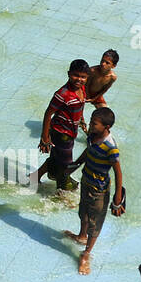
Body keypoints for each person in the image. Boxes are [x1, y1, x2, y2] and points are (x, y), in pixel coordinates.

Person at [62, 107, 124, 274]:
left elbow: (118, 173)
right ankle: (81, 236)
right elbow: (87, 151)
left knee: (95, 222)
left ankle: (86, 254)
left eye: (94, 123)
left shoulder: (111, 147)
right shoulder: (92, 136)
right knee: (83, 212)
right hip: (86, 182)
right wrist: (74, 165)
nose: (90, 125)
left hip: (99, 190)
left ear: (106, 127)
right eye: (91, 122)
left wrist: (117, 197)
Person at [35, 59, 91, 189]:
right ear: (69, 74)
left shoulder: (82, 89)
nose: (79, 79)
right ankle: (62, 192)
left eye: (83, 77)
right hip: (61, 134)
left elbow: (80, 105)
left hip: (71, 132)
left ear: (87, 77)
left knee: (56, 159)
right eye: (75, 75)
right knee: (66, 165)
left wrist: (81, 120)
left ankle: (34, 177)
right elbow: (48, 114)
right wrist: (44, 137)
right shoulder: (62, 94)